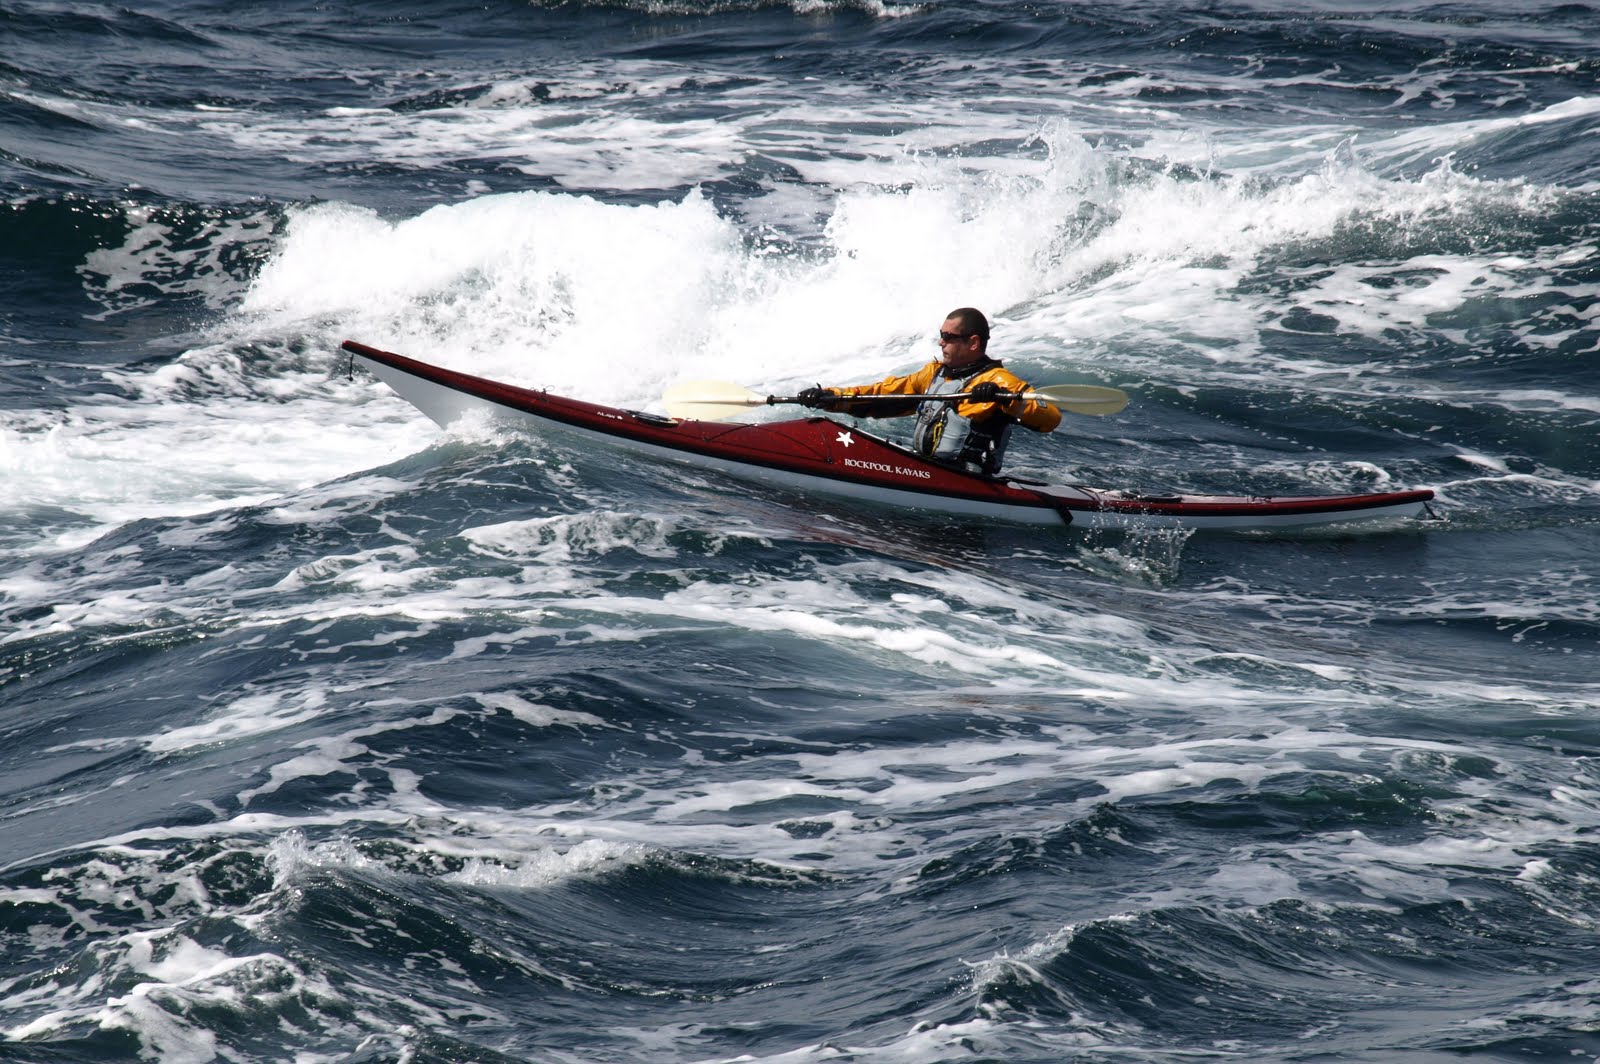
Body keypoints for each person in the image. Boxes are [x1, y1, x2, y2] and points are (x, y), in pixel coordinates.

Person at [796, 308, 1061, 475]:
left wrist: (1003, 400)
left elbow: (1050, 418)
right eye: (941, 334)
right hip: (926, 470)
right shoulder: (933, 374)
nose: (941, 341)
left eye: (949, 337)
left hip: (968, 481)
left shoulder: (1000, 381)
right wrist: (829, 397)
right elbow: (881, 396)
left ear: (973, 342)